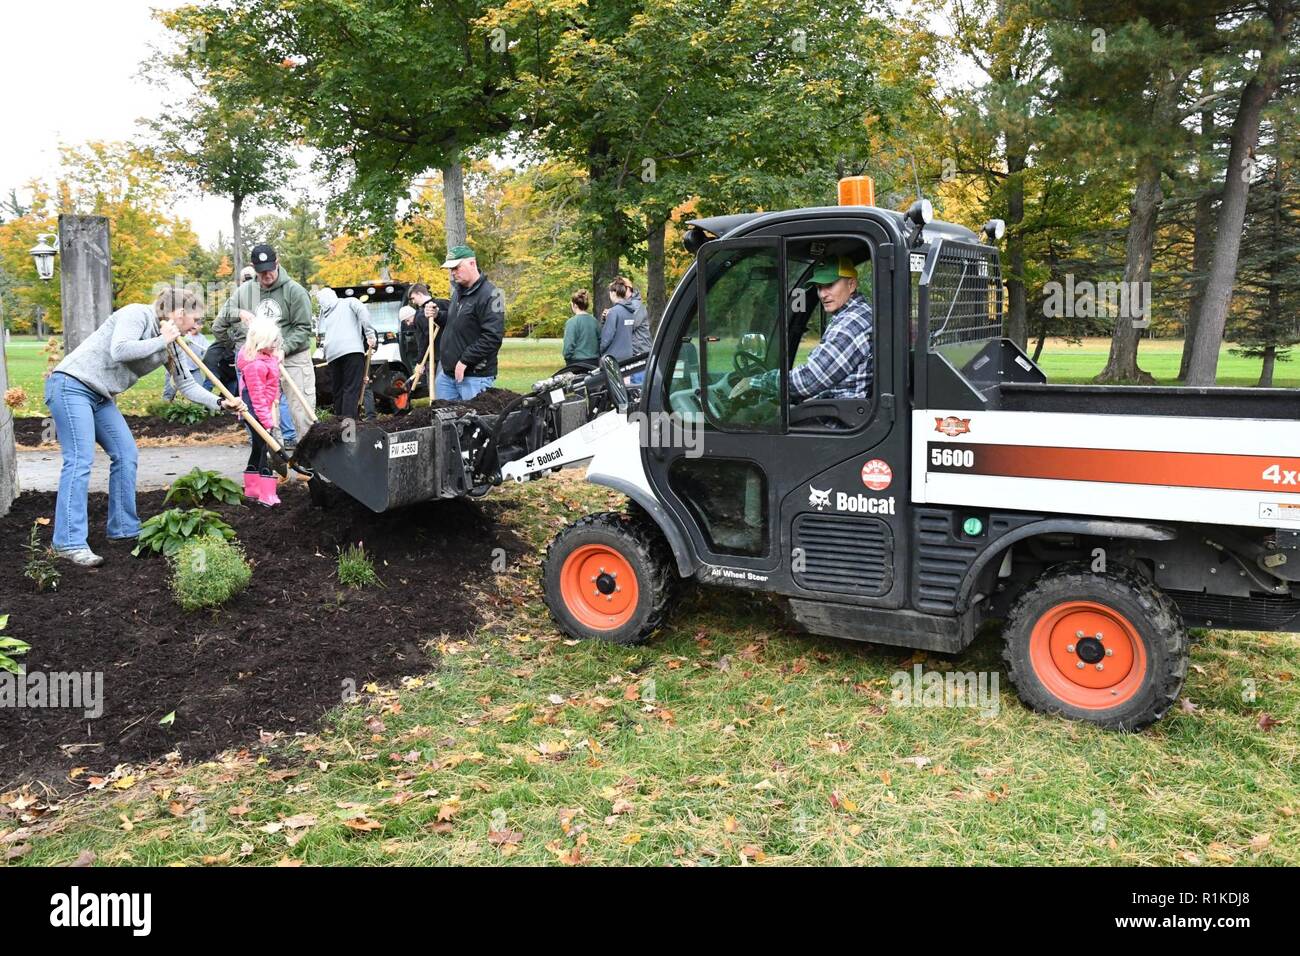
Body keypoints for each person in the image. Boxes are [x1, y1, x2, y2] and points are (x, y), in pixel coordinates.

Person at [44, 288, 244, 566]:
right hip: (71, 385)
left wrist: (221, 402)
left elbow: (186, 385)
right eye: (195, 320)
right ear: (180, 313)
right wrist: (162, 340)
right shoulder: (137, 313)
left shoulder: (174, 344)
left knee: (126, 454)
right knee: (79, 460)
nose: (197, 327)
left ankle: (124, 528)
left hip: (101, 396)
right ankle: (68, 542)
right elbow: (120, 349)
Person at [735, 256, 873, 403]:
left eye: (829, 285)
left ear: (851, 284)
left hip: (838, 419)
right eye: (819, 287)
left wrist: (756, 382)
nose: (822, 294)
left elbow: (810, 379)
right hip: (836, 406)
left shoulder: (851, 324)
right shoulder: (857, 314)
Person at [216, 243, 314, 445]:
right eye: (261, 272)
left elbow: (303, 329)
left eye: (269, 269)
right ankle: (272, 462)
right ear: (254, 268)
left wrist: (283, 349)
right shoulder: (245, 291)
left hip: (293, 358)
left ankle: (311, 464)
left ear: (277, 263)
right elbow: (221, 317)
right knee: (264, 411)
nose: (266, 275)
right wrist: (238, 313)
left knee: (301, 412)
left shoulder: (295, 291)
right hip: (260, 362)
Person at [437, 245, 504, 401]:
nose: (453, 273)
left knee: (473, 424)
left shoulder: (494, 294)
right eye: (450, 269)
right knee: (443, 422)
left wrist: (465, 360)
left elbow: (493, 336)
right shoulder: (458, 292)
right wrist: (438, 316)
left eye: (456, 267)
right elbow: (457, 322)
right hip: (447, 376)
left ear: (472, 263)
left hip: (474, 377)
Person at [235, 316, 284, 507]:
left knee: (257, 447)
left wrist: (276, 397)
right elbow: (257, 398)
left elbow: (272, 377)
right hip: (254, 411)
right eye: (272, 341)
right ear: (261, 341)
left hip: (263, 407)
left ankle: (252, 489)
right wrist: (268, 423)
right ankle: (266, 493)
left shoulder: (266, 357)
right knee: (264, 449)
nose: (275, 345)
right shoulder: (254, 365)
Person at [316, 288, 377, 417]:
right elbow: (363, 312)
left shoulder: (326, 314)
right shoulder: (349, 301)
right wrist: (370, 334)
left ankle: (340, 425)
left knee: (338, 391)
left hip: (332, 354)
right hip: (351, 350)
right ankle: (349, 429)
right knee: (351, 389)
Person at [162, 327, 214, 401]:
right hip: (176, 369)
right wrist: (180, 340)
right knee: (169, 392)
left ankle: (200, 409)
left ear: (201, 326)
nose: (194, 326)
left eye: (198, 324)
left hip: (194, 369)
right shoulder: (182, 333)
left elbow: (207, 350)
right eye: (194, 323)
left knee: (200, 391)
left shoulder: (202, 338)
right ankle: (165, 405)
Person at [599, 276, 638, 365]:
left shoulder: (613, 312)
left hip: (613, 359)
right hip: (628, 357)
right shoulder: (631, 311)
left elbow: (607, 338)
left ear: (613, 293)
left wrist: (600, 350)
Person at [562, 290, 600, 367]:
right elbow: (600, 341)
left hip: (576, 363)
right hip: (594, 362)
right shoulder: (594, 321)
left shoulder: (572, 322)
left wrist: (567, 357)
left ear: (575, 305)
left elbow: (568, 346)